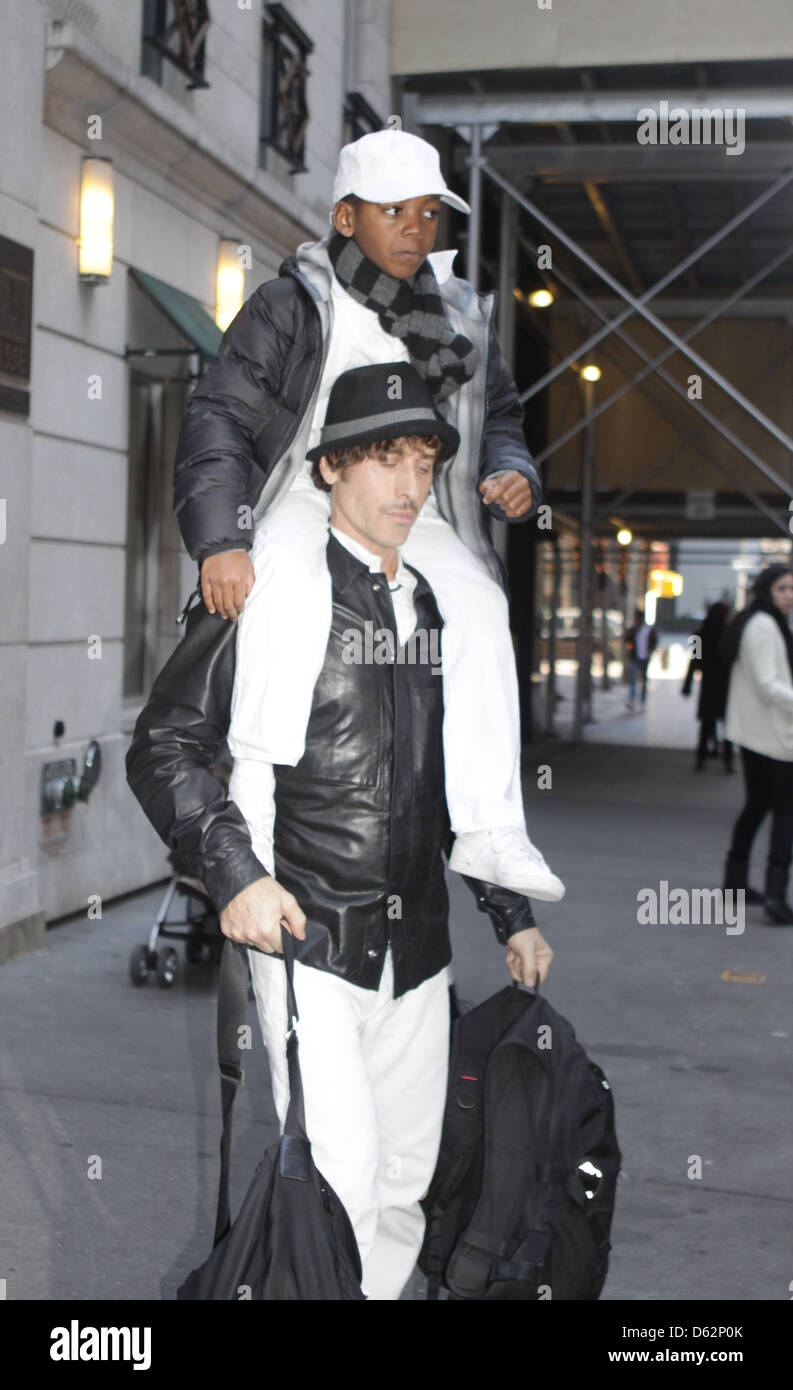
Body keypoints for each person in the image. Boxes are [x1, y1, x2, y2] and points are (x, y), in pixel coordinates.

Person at [126, 364, 556, 1301]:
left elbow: (454, 785)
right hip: (308, 935)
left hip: (419, 950)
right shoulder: (269, 591)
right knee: (339, 1178)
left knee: (406, 1182)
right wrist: (235, 873)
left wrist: (507, 909)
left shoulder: (439, 611)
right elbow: (164, 745)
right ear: (329, 469)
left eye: (422, 462)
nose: (408, 487)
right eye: (384, 461)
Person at [171, 126, 564, 902]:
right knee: (284, 585)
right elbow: (218, 415)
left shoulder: (459, 314)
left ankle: (490, 828)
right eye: (394, 212)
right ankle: (254, 796)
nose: (416, 230)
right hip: (300, 492)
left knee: (482, 605)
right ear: (346, 219)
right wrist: (221, 539)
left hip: (409, 501)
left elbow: (504, 417)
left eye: (428, 213)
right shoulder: (291, 303)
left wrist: (509, 470)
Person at [722, 563, 793, 923]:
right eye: (782, 588)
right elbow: (768, 684)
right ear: (767, 590)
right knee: (785, 812)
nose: (789, 596)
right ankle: (776, 894)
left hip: (757, 734)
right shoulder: (764, 626)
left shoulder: (758, 620)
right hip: (772, 737)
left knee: (758, 806)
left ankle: (735, 883)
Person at [681, 601, 734, 771]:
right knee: (728, 726)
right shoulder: (730, 634)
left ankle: (701, 759)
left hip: (709, 685)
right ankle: (728, 761)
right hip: (726, 685)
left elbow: (693, 661)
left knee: (706, 723)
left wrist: (687, 684)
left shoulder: (699, 635)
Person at [624, 608, 658, 711]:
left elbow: (654, 642)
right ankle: (632, 700)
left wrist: (649, 652)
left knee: (643, 680)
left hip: (645, 658)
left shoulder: (648, 630)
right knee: (633, 680)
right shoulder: (633, 630)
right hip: (634, 657)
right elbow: (627, 640)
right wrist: (630, 647)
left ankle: (642, 701)